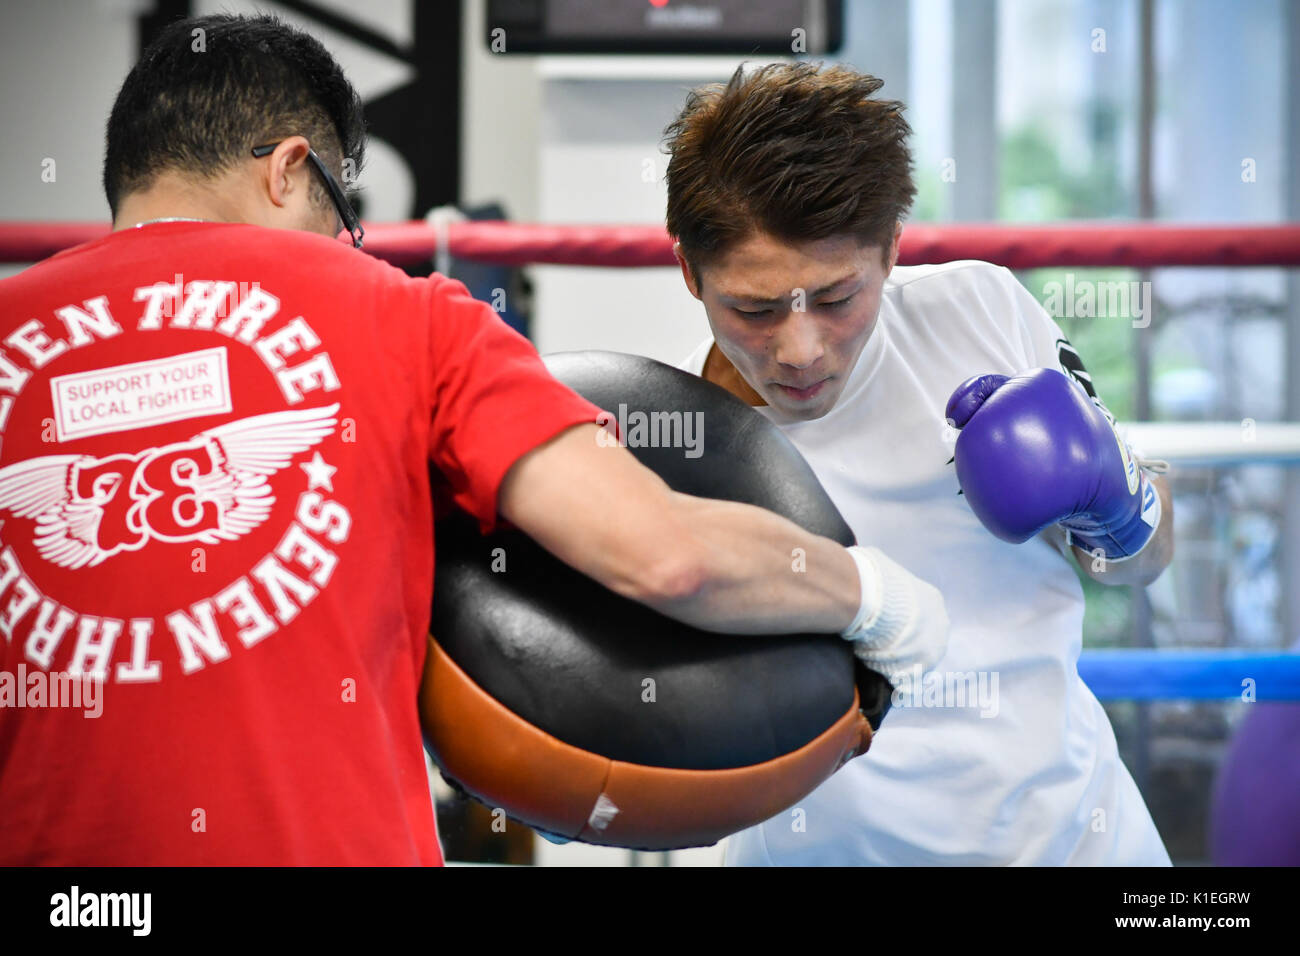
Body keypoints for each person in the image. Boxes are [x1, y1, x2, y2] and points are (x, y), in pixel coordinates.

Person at [0, 17, 948, 865]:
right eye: (341, 209)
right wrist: (882, 600)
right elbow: (665, 555)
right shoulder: (402, 317)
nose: (343, 240)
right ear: (289, 168)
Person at [665, 62, 1175, 865]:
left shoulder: (980, 314)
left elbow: (1140, 564)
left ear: (893, 249)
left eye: (837, 298)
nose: (800, 350)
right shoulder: (671, 448)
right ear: (690, 272)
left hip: (1079, 841)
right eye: (755, 309)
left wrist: (1114, 501)